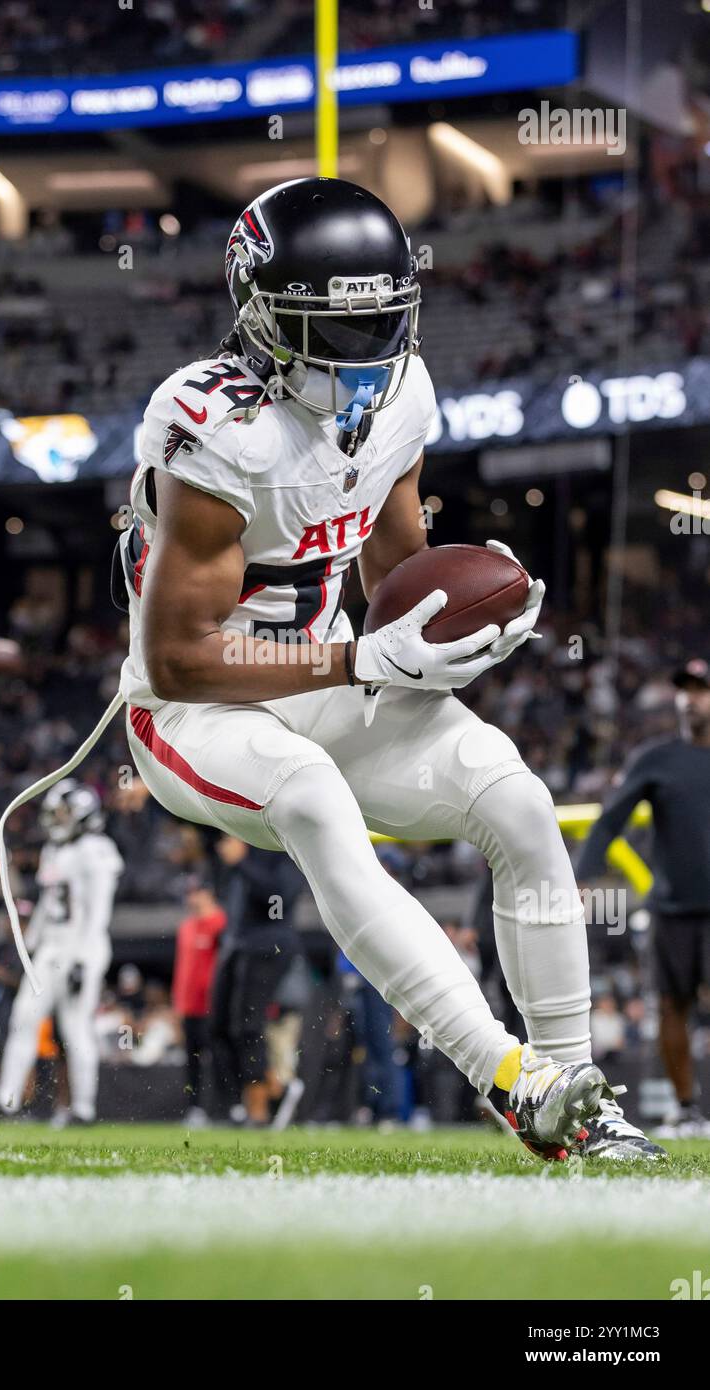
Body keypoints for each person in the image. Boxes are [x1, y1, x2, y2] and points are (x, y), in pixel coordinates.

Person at [108, 176, 663, 1161]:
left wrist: (459, 627)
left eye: (380, 324)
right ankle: (507, 1077)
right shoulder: (212, 424)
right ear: (261, 320)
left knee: (516, 800)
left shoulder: (402, 394)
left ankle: (575, 1099)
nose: (364, 358)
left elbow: (395, 569)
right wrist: (360, 653)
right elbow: (180, 656)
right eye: (330, 328)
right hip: (192, 712)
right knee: (314, 798)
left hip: (325, 675)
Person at [577, 658, 710, 1137]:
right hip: (670, 907)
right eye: (685, 688)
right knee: (671, 1006)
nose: (690, 698)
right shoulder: (656, 757)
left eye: (701, 689)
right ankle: (687, 1107)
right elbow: (611, 819)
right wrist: (582, 877)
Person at [0, 779, 122, 1125]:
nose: (56, 819)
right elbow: (48, 904)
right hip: (51, 947)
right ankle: (7, 1101)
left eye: (63, 812)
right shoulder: (54, 851)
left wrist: (83, 959)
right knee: (23, 1018)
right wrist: (30, 944)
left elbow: (99, 911)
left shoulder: (97, 849)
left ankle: (83, 1108)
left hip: (81, 946)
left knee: (75, 1026)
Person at [210, 837, 304, 1126]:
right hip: (238, 945)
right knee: (220, 1026)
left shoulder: (280, 847)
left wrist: (242, 862)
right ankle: (254, 1095)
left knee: (248, 1026)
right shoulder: (238, 846)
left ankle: (261, 1104)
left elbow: (280, 896)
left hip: (268, 946)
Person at [171, 875, 226, 1125]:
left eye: (194, 892)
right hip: (190, 1006)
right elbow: (182, 969)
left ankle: (224, 1108)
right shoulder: (186, 927)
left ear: (207, 893)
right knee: (192, 1061)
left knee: (218, 1058)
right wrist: (178, 1004)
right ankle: (195, 1109)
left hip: (212, 1005)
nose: (190, 897)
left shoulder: (221, 923)